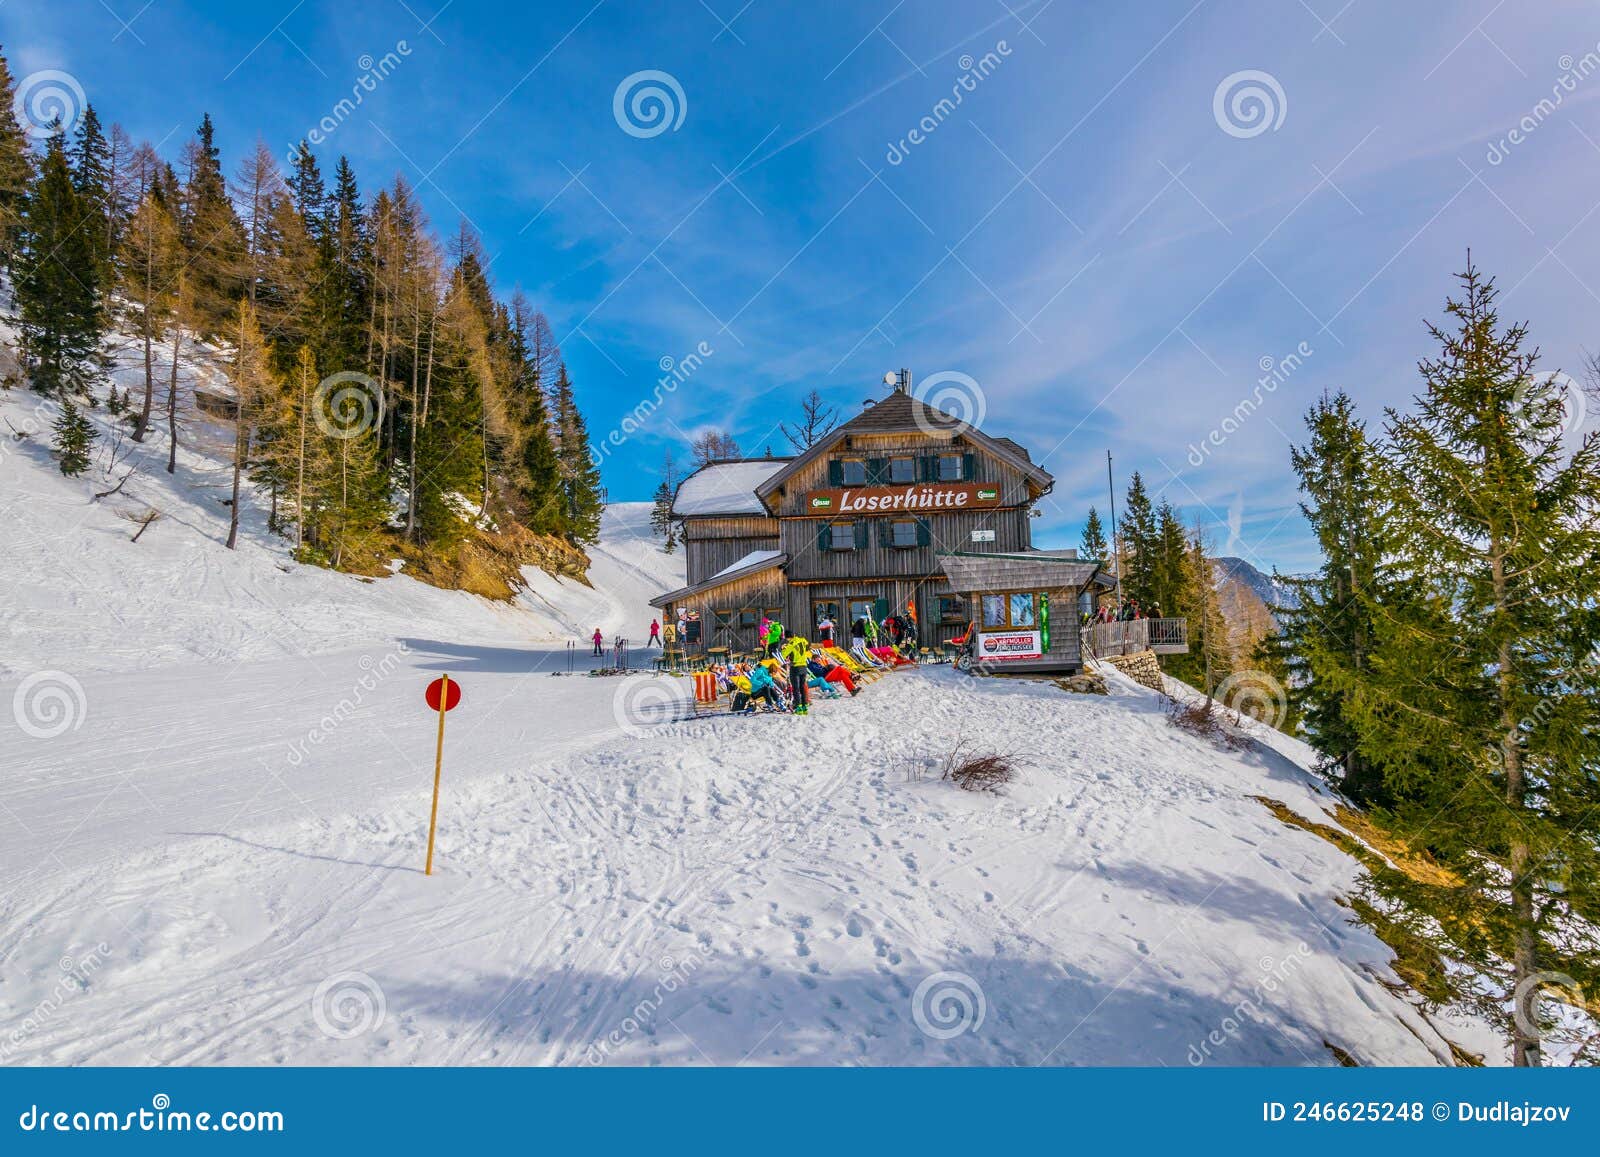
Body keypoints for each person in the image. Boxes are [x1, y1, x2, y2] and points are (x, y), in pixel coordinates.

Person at [781, 635, 813, 715]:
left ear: (789, 637)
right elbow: (808, 646)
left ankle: (798, 707)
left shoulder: (792, 643)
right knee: (803, 687)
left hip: (795, 667)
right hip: (804, 666)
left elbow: (784, 654)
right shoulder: (802, 640)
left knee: (796, 688)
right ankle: (804, 706)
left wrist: (784, 648)